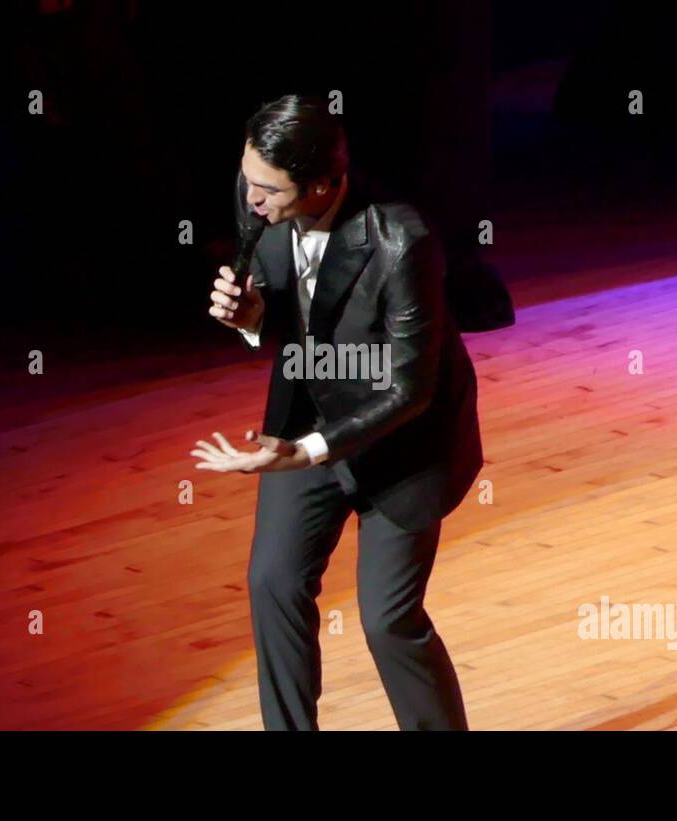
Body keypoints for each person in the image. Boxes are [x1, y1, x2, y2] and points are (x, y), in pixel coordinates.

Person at [191, 94, 482, 730]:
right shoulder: (259, 190)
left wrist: (307, 451)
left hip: (405, 442)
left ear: (323, 183)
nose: (252, 200)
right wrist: (254, 317)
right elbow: (289, 304)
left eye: (269, 190)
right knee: (273, 584)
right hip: (309, 418)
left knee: (387, 620)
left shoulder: (402, 239)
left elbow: (409, 388)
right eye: (248, 181)